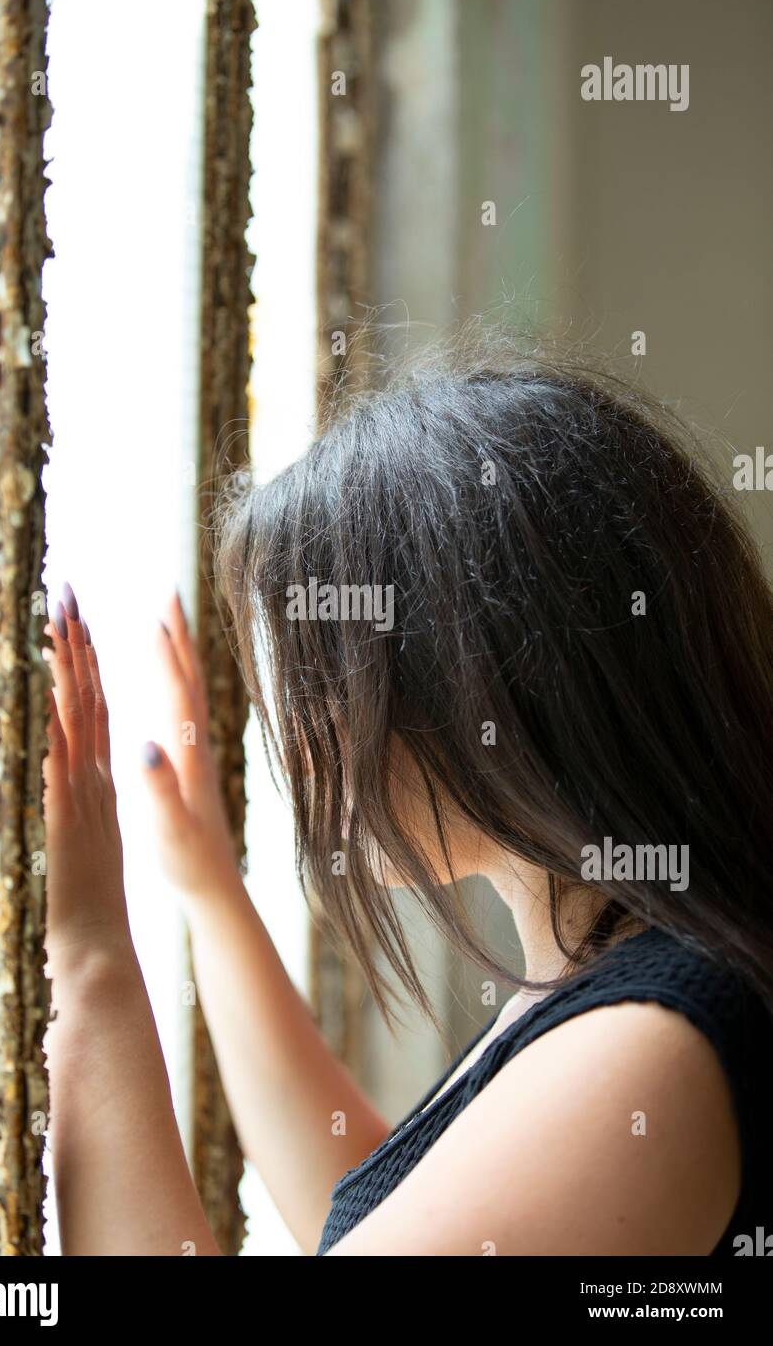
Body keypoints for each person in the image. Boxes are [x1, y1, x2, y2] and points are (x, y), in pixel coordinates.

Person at [43, 352, 773, 1256]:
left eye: (326, 689)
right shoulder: (625, 974)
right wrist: (204, 883)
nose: (302, 745)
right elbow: (382, 1218)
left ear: (481, 690)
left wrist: (87, 952)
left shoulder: (651, 1056)